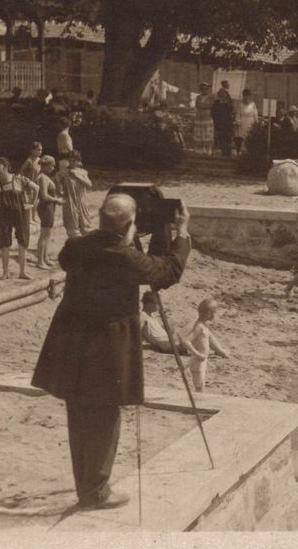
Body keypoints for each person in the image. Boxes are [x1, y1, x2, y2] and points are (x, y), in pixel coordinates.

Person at [31, 194, 191, 511]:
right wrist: (181, 233)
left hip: (72, 343)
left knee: (78, 413)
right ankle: (96, 492)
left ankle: (86, 488)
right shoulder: (125, 257)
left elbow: (69, 259)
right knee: (104, 417)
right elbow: (167, 271)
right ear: (130, 224)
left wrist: (127, 237)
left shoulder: (77, 245)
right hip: (105, 350)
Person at [0, 157, 40, 280]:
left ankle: (22, 272)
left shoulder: (19, 179)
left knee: (23, 243)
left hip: (21, 214)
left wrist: (32, 204)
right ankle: (5, 272)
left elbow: (36, 188)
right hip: (4, 216)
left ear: (5, 168)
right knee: (4, 244)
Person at [183, 298, 231, 392]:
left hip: (202, 360)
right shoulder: (199, 327)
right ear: (209, 313)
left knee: (200, 385)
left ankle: (198, 401)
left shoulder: (204, 325)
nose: (215, 315)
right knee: (199, 387)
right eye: (215, 312)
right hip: (198, 360)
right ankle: (198, 403)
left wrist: (222, 352)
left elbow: (210, 340)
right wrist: (198, 354)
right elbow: (186, 341)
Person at [34, 155, 65, 270]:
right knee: (44, 235)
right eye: (52, 166)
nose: (53, 168)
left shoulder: (45, 176)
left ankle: (45, 258)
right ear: (46, 166)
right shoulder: (42, 177)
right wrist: (57, 200)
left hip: (49, 207)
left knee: (47, 234)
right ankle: (40, 261)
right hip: (45, 207)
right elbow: (44, 196)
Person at [57, 150, 93, 238]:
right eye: (70, 160)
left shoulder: (82, 172)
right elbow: (56, 184)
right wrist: (60, 194)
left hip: (81, 202)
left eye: (74, 160)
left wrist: (77, 176)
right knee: (73, 230)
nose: (71, 162)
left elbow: (89, 185)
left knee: (86, 227)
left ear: (78, 161)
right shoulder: (63, 173)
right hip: (69, 203)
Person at [20, 142, 43, 224]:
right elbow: (22, 170)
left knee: (36, 201)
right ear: (32, 151)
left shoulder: (40, 160)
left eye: (41, 150)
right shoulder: (29, 160)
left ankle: (34, 217)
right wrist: (25, 180)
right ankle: (29, 219)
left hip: (36, 182)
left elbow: (41, 171)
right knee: (29, 200)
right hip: (29, 183)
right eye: (38, 150)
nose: (40, 152)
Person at [212, 80, 236, 157]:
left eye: (224, 94)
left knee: (228, 137)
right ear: (219, 95)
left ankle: (228, 152)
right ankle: (223, 152)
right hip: (219, 123)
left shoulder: (228, 102)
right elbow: (213, 113)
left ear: (226, 95)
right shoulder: (216, 103)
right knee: (221, 138)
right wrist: (216, 121)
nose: (223, 95)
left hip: (227, 123)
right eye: (221, 94)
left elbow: (232, 109)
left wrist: (226, 103)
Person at [193, 82, 215, 155]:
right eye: (203, 89)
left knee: (208, 132)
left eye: (206, 89)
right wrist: (204, 105)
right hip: (199, 117)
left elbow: (210, 105)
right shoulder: (198, 97)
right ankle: (200, 148)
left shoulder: (211, 97)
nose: (204, 90)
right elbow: (197, 105)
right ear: (201, 89)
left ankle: (208, 148)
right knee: (200, 132)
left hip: (208, 117)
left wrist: (203, 105)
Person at [234, 88, 258, 156]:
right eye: (245, 95)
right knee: (241, 138)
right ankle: (240, 152)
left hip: (250, 122)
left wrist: (256, 123)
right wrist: (237, 121)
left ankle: (250, 152)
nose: (246, 97)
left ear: (250, 96)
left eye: (248, 95)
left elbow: (255, 115)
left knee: (249, 138)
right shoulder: (240, 104)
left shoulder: (253, 104)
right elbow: (237, 115)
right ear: (243, 96)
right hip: (242, 123)